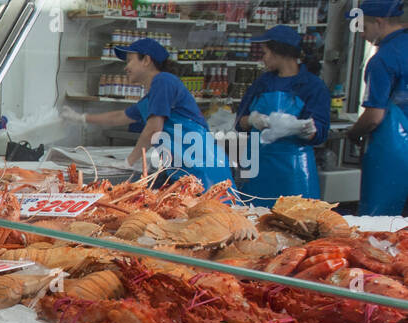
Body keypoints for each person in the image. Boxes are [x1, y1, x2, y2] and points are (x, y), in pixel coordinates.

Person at [63, 37, 231, 188]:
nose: (126, 67)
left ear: (146, 60)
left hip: (203, 168)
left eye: (130, 60)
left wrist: (129, 162)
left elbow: (153, 128)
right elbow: (120, 117)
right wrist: (81, 118)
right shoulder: (151, 97)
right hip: (186, 168)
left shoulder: (163, 81)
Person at [234, 25, 329, 207]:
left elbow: (320, 133)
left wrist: (300, 130)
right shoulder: (262, 83)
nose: (264, 58)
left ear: (280, 53)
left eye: (265, 53)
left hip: (293, 172)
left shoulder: (313, 86)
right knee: (252, 220)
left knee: (296, 220)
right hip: (257, 167)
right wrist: (253, 120)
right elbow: (240, 122)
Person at [346, 0, 408, 215]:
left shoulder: (383, 59)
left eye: (363, 27)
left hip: (394, 152)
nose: (362, 34)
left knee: (381, 225)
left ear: (379, 22)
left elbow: (374, 117)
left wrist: (353, 133)